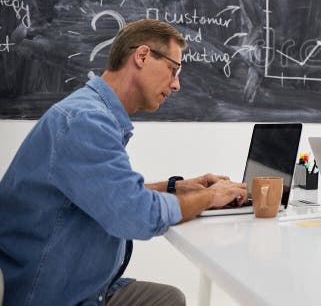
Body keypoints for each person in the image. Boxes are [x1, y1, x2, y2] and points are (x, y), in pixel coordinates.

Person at [0, 19, 249, 305]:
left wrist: (175, 187)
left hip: (88, 285)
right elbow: (136, 214)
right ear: (142, 56)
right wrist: (210, 197)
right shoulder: (85, 121)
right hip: (51, 295)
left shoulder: (92, 113)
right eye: (173, 70)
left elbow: (110, 194)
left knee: (169, 299)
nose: (177, 84)